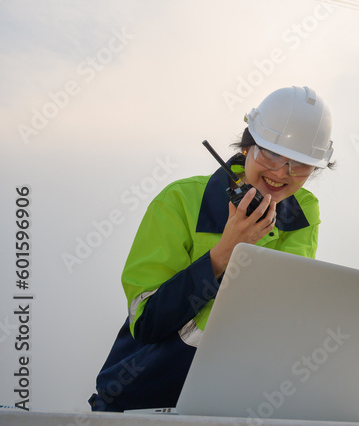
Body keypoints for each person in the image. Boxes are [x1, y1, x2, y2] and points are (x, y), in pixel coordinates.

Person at [89, 86, 335, 411]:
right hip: (139, 403)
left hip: (228, 402)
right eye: (271, 154)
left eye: (299, 164)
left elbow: (280, 315)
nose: (280, 174)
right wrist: (225, 252)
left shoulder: (302, 210)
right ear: (248, 145)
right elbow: (148, 323)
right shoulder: (178, 201)